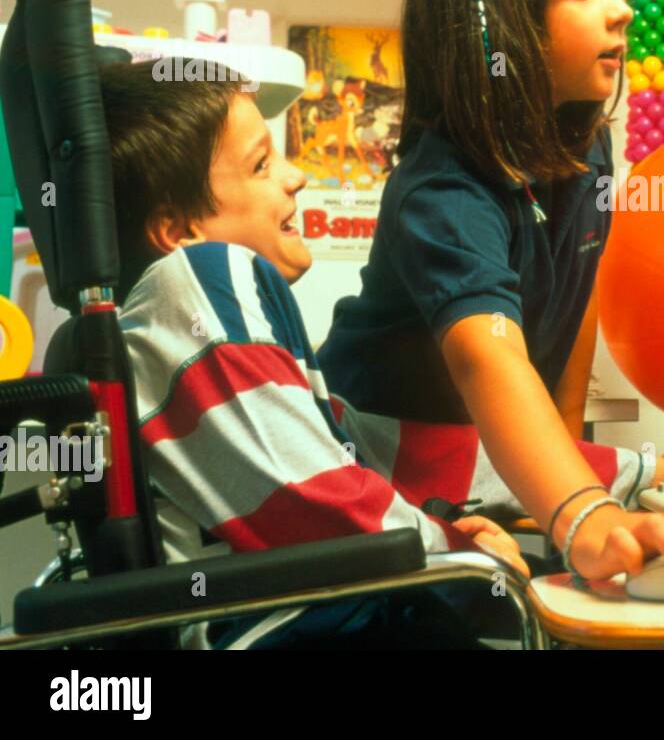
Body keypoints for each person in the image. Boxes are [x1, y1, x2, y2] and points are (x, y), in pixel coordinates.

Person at [318, 0, 664, 583]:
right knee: (654, 480)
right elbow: (484, 357)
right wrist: (584, 514)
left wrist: (569, 457)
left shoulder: (586, 140)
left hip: (484, 444)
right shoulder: (442, 188)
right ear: (500, 31)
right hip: (387, 447)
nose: (622, 8)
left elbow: (579, 282)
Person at [102, 61, 531, 647]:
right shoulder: (194, 277)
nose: (295, 176)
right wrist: (473, 564)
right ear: (179, 232)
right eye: (261, 165)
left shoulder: (196, 317)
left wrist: (625, 476)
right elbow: (317, 503)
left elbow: (398, 453)